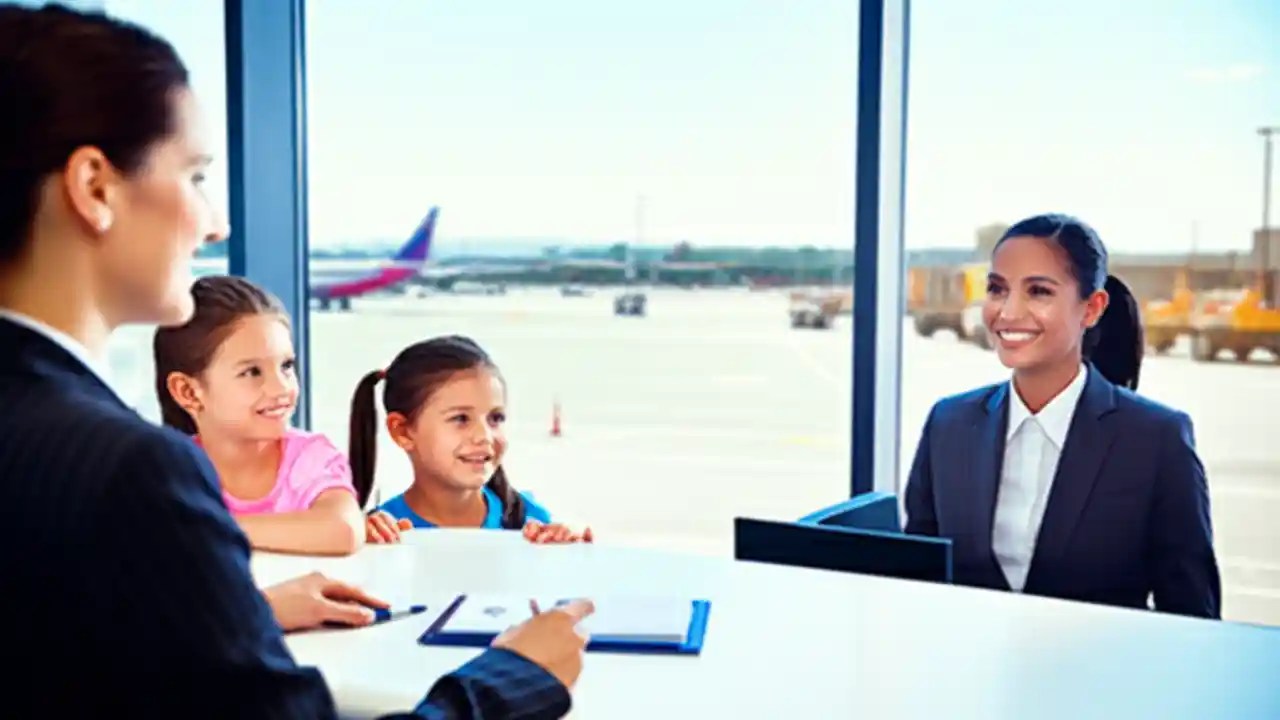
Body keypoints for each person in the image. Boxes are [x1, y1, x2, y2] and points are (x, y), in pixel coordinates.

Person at [0, 3, 592, 716]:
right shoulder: (131, 471)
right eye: (193, 177)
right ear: (95, 188)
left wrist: (227, 607)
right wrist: (515, 678)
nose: (215, 222)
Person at [904, 212, 1220, 618]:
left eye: (1038, 292)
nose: (1009, 312)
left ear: (1091, 309)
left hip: (1101, 677)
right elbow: (914, 589)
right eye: (998, 289)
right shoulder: (948, 424)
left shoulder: (1156, 439)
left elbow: (1194, 618)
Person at [154, 275, 411, 553]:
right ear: (188, 392)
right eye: (251, 372)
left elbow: (343, 529)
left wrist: (203, 527)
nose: (281, 388)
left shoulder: (310, 459)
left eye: (286, 366)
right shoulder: (167, 473)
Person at [350, 335, 594, 543]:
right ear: (402, 431)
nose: (484, 436)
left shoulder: (529, 524)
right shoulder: (379, 533)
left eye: (495, 418)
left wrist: (575, 548)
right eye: (460, 419)